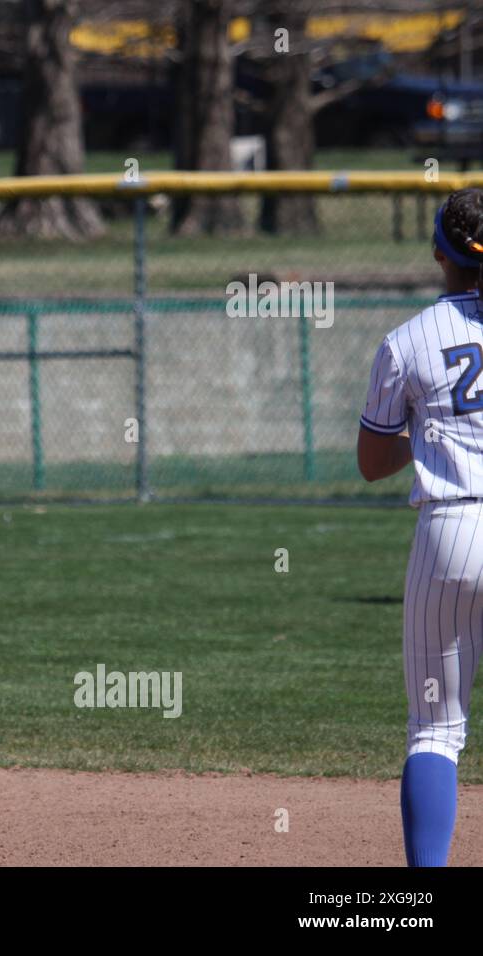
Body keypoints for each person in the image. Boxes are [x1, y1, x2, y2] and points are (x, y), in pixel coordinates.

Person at [358, 188, 483, 865]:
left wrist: (433, 431)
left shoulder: (408, 341)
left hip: (453, 534)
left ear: (439, 251)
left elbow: (373, 462)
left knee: (435, 730)